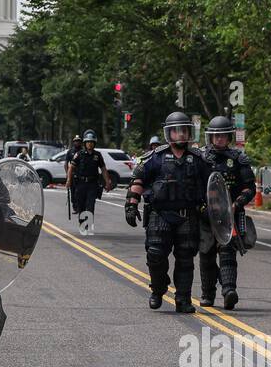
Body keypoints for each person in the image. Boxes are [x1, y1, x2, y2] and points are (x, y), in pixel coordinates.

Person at [125, 111, 209, 312]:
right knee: (155, 255)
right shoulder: (155, 158)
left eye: (183, 131)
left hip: (187, 216)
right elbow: (137, 181)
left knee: (185, 259)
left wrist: (214, 213)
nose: (180, 135)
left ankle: (183, 299)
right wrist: (131, 205)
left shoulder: (199, 160)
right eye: (176, 131)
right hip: (159, 215)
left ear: (189, 133)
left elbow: (213, 189)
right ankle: (158, 289)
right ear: (168, 133)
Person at [198, 116, 255, 309]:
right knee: (205, 253)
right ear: (210, 137)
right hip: (206, 214)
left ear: (228, 137)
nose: (219, 139)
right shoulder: (201, 158)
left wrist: (236, 204)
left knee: (227, 251)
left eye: (222, 135)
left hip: (230, 215)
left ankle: (229, 291)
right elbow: (193, 186)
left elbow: (249, 188)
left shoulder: (239, 159)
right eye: (216, 135)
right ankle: (207, 294)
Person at [65, 130, 109, 235]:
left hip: (92, 184)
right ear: (85, 143)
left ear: (94, 143)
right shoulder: (79, 154)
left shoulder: (97, 155)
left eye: (92, 142)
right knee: (81, 206)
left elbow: (103, 169)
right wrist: (68, 180)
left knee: (90, 205)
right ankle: (82, 224)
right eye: (88, 142)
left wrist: (108, 181)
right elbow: (71, 168)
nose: (90, 144)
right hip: (80, 184)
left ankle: (88, 226)